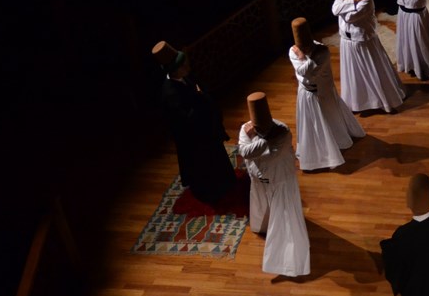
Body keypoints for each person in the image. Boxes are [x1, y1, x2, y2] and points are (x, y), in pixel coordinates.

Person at [152, 41, 235, 203]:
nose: (187, 67)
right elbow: (186, 120)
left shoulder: (184, 79)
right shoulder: (170, 93)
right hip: (195, 140)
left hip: (206, 131)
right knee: (206, 167)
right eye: (183, 65)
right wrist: (199, 98)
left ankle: (225, 183)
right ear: (175, 70)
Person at [238, 92, 310, 277]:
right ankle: (261, 225)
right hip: (260, 179)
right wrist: (263, 141)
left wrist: (263, 139)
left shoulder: (282, 132)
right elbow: (245, 152)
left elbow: (269, 155)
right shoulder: (245, 130)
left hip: (280, 180)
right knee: (261, 204)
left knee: (283, 213)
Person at [288, 17, 365, 171]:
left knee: (330, 116)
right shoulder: (292, 51)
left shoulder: (322, 51)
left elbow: (307, 72)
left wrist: (303, 59)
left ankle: (336, 141)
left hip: (324, 92)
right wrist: (304, 66)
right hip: (307, 94)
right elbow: (303, 72)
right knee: (313, 123)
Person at [332, 0, 406, 113]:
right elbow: (335, 10)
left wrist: (344, 7)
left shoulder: (367, 0)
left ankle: (382, 100)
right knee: (353, 75)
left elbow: (351, 17)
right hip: (347, 42)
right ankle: (357, 102)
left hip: (362, 41)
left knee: (371, 71)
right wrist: (352, 1)